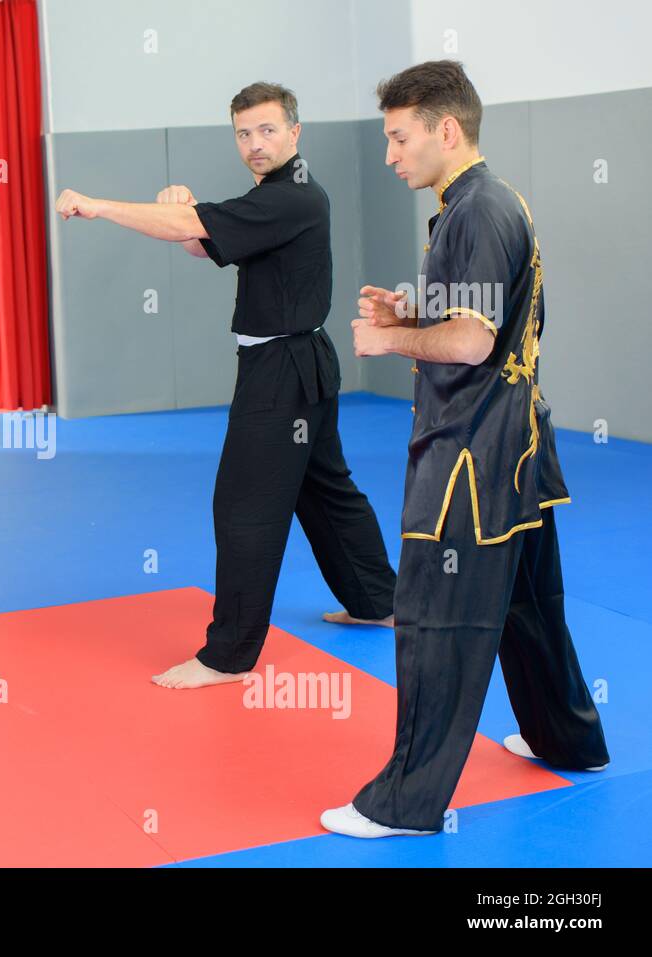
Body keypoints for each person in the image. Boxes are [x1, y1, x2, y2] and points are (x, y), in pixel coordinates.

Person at [322, 60, 609, 838]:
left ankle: (406, 802)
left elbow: (474, 342)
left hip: (470, 458)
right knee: (529, 604)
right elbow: (487, 308)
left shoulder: (475, 212)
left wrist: (389, 337)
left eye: (399, 136)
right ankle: (569, 738)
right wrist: (414, 305)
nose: (390, 154)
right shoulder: (487, 201)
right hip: (516, 449)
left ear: (446, 130)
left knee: (433, 617)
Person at [55, 82, 397, 691]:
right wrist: (180, 208)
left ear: (295, 132)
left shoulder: (293, 197)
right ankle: (377, 600)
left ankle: (228, 655)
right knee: (325, 490)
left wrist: (100, 205)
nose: (255, 143)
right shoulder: (273, 197)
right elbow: (196, 241)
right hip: (302, 362)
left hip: (282, 370)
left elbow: (188, 226)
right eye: (243, 133)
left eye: (267, 130)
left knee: (244, 507)